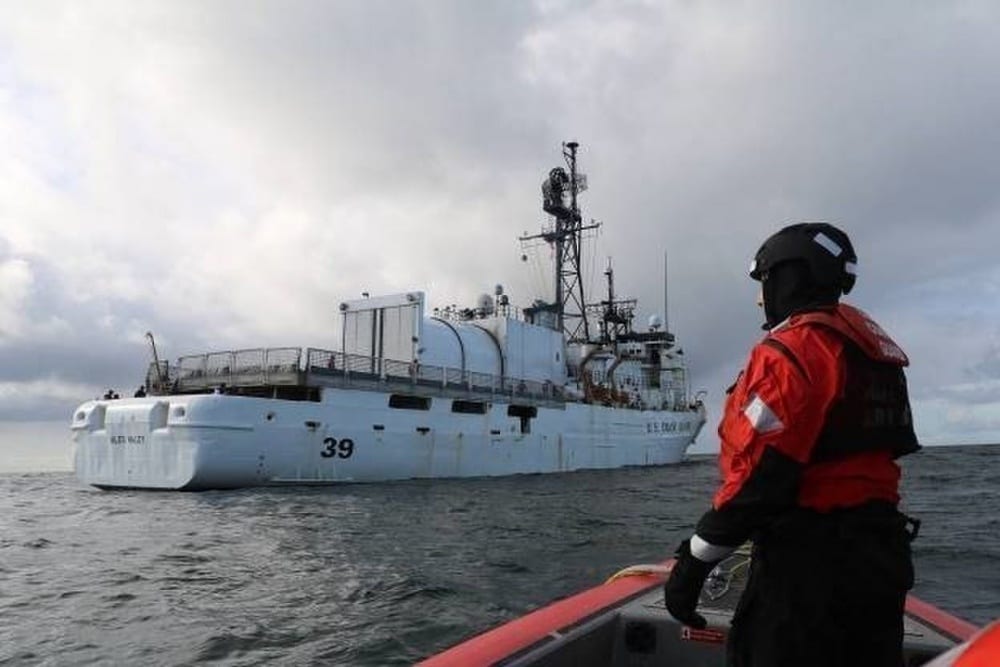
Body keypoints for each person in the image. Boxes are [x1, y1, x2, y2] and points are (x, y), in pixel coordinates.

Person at [663, 222, 920, 666]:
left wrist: (694, 560)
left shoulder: (792, 352)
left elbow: (763, 480)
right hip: (880, 563)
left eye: (765, 282)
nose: (760, 298)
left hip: (806, 575)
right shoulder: (872, 353)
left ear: (788, 276)